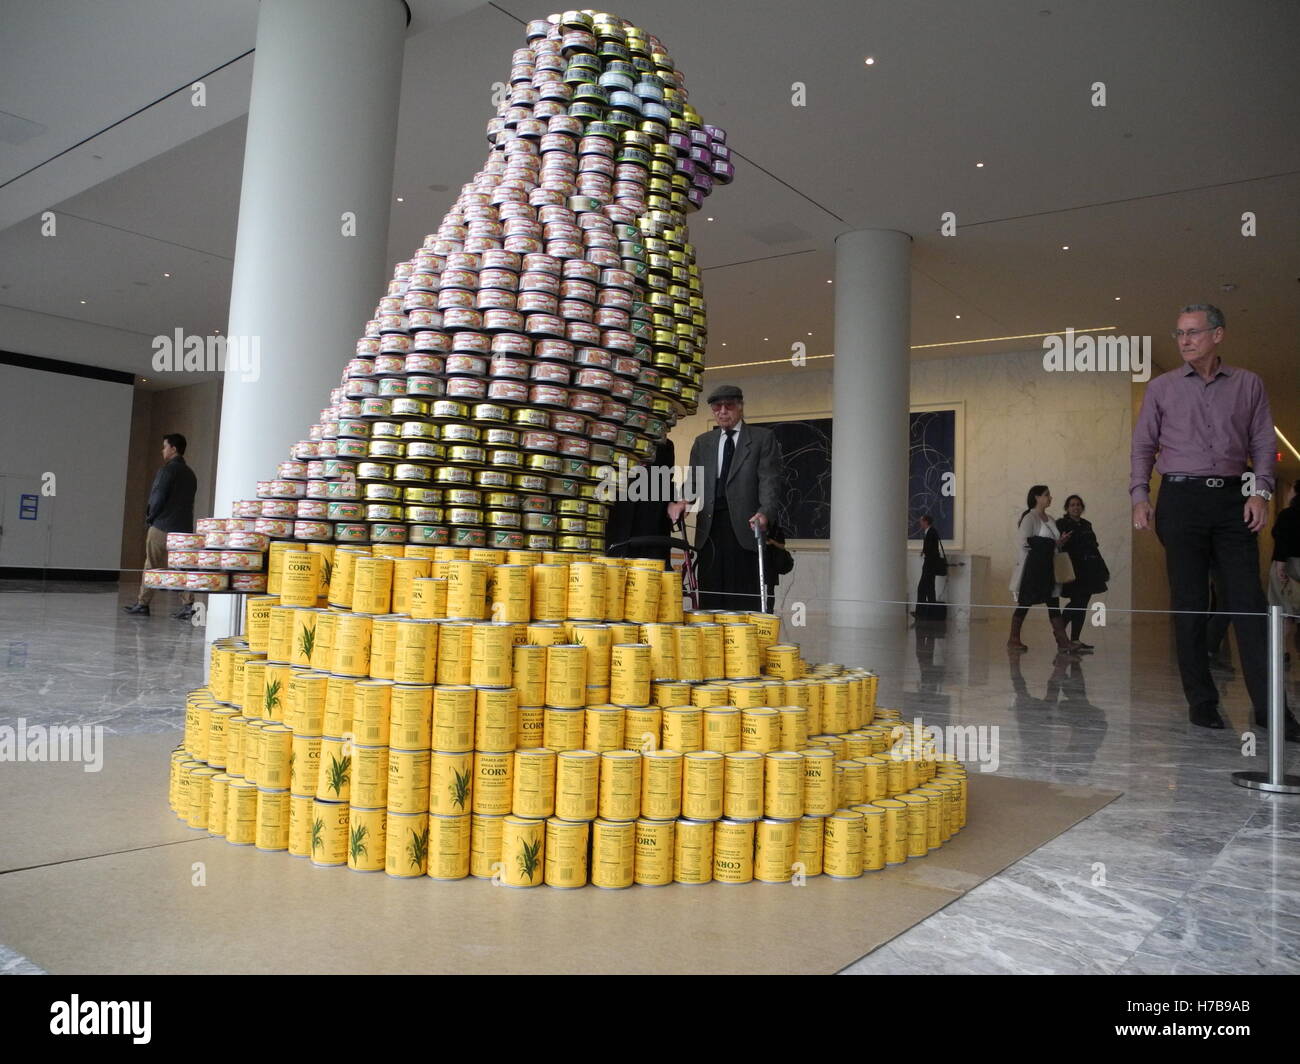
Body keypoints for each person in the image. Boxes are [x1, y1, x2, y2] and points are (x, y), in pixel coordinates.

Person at [1131, 303, 1298, 740]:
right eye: (1179, 333)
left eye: (1193, 333)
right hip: (1180, 499)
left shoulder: (1248, 385)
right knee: (1189, 603)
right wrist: (1139, 496)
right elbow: (1143, 445)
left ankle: (1271, 711)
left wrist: (1261, 492)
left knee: (1248, 604)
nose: (1184, 341)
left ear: (1218, 336)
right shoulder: (1162, 388)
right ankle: (1202, 703)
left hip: (1232, 500)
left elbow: (1263, 441)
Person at [667, 384, 782, 612]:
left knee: (744, 596)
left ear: (740, 407)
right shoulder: (703, 442)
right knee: (711, 595)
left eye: (728, 406)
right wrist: (683, 502)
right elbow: (694, 481)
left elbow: (770, 481)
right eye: (716, 407)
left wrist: (765, 512)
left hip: (747, 524)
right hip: (710, 527)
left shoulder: (761, 439)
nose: (722, 412)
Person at [124, 433, 198, 619]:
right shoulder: (190, 474)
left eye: (165, 446)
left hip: (163, 525)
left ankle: (143, 603)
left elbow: (157, 497)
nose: (162, 450)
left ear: (173, 449)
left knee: (151, 565)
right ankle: (189, 605)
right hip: (183, 529)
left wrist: (150, 517)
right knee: (182, 567)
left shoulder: (166, 471)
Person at [1007, 485, 1077, 653]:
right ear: (1037, 497)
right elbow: (1025, 542)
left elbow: (1052, 543)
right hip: (1034, 568)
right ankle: (1013, 638)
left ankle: (1063, 641)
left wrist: (1059, 542)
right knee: (1025, 602)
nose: (1050, 498)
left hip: (1049, 567)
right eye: (1046, 495)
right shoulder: (1030, 517)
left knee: (1053, 602)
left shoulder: (1050, 518)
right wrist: (1051, 544)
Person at [604, 437, 676, 567]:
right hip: (618, 521)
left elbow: (667, 481)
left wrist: (673, 502)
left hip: (652, 524)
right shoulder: (614, 439)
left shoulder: (665, 445)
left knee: (651, 571)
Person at [1055, 495, 1109, 652]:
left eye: (1078, 505)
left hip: (1089, 569)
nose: (1075, 507)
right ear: (1067, 508)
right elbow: (1057, 545)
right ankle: (1060, 630)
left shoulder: (1087, 524)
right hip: (1072, 569)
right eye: (1072, 505)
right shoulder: (1061, 523)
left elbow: (1093, 545)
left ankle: (1075, 639)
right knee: (1077, 602)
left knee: (1083, 603)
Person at [1268, 479, 1300, 657]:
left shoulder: (1288, 514)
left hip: (1288, 564)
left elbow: (1282, 540)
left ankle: (1281, 651)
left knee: (1282, 608)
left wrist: (1280, 564)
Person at [915, 514, 944, 617]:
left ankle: (920, 612)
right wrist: (924, 551)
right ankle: (931, 612)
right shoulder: (930, 531)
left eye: (921, 521)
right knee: (930, 588)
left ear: (926, 521)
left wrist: (925, 552)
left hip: (929, 565)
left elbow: (932, 549)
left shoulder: (931, 532)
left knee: (922, 588)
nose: (920, 523)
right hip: (930, 564)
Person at [762, 525, 795, 607]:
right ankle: (759, 608)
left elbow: (782, 546)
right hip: (762, 559)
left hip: (772, 562)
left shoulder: (777, 531)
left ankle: (769, 610)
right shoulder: (759, 528)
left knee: (770, 589)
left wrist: (772, 542)